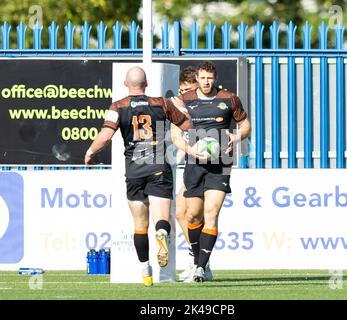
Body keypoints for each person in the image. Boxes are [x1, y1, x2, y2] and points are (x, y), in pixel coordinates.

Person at [84, 66, 191, 287]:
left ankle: (145, 271)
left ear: (126, 84)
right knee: (162, 219)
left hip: (134, 170)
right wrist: (186, 112)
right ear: (147, 83)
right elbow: (186, 125)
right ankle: (162, 232)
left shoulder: (118, 107)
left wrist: (90, 152)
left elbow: (105, 136)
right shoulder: (162, 103)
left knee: (140, 225)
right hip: (158, 167)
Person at [171, 61, 250, 282]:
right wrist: (190, 150)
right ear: (197, 78)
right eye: (203, 78)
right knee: (191, 216)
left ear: (215, 78)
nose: (206, 82)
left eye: (210, 78)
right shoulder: (185, 100)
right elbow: (176, 134)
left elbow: (245, 124)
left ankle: (200, 269)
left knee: (212, 213)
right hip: (195, 163)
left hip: (221, 163)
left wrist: (236, 136)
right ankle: (198, 262)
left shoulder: (229, 99)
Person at [171, 66, 212, 282]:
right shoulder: (185, 107)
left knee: (195, 215)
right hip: (190, 164)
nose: (183, 94)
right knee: (180, 213)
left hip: (207, 167)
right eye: (181, 90)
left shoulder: (206, 107)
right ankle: (196, 260)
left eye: (187, 89)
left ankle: (201, 264)